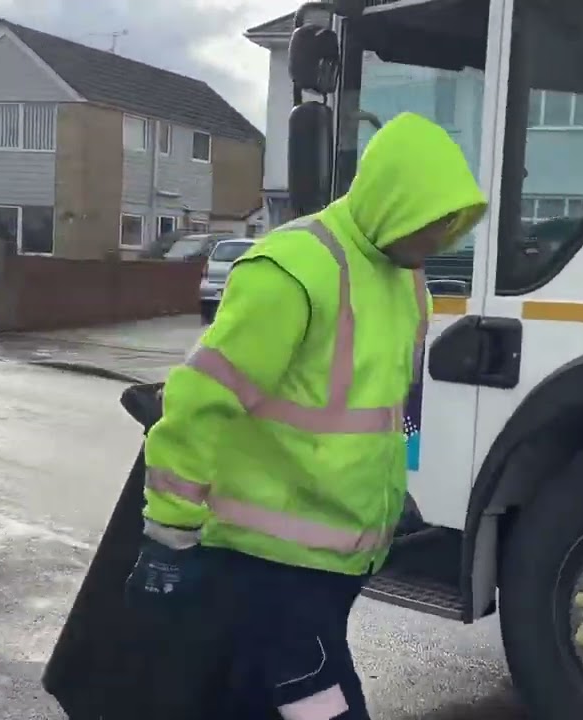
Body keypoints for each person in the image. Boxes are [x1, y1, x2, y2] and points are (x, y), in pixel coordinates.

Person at [129, 111, 487, 719]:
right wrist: (168, 531)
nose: (438, 239)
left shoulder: (408, 283)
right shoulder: (293, 269)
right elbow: (200, 400)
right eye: (429, 223)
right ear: (392, 203)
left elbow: (386, 406)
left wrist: (392, 490)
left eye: (448, 224)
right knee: (314, 693)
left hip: (338, 555)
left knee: (247, 694)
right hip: (267, 555)